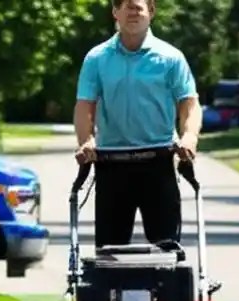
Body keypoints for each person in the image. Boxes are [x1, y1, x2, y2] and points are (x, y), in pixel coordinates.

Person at [74, 0, 203, 247]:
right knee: (109, 252)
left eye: (139, 7)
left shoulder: (170, 58)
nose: (134, 12)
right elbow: (84, 105)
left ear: (151, 12)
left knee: (166, 250)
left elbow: (189, 103)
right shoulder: (97, 58)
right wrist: (86, 140)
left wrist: (189, 137)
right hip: (112, 163)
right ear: (115, 12)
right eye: (127, 7)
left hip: (158, 161)